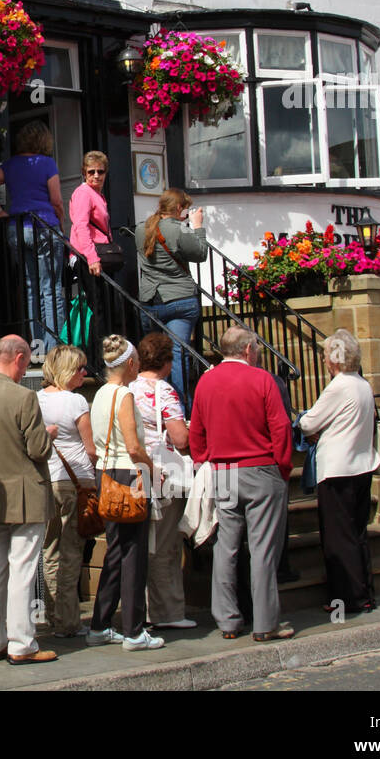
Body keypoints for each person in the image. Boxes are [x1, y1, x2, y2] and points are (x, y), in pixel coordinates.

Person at [188, 326, 294, 642]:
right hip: (260, 467)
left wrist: (205, 459)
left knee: (226, 547)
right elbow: (281, 426)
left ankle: (228, 620)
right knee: (262, 550)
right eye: (257, 348)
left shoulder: (206, 380)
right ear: (248, 350)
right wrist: (283, 466)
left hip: (224, 469)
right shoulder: (262, 379)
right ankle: (265, 624)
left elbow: (197, 430)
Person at [0, 334, 58, 666]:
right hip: (26, 492)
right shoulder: (24, 397)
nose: (25, 369)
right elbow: (37, 449)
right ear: (17, 358)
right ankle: (21, 643)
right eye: (26, 361)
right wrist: (49, 436)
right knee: (23, 569)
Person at [87, 335, 164, 652]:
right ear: (130, 363)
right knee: (134, 553)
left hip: (106, 473)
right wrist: (153, 470)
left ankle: (101, 624)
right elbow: (133, 447)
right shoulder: (125, 396)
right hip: (129, 475)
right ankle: (134, 630)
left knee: (116, 550)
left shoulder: (101, 393)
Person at [298, 329, 380, 615]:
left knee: (337, 537)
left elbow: (309, 423)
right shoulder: (362, 384)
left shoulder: (339, 386)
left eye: (325, 354)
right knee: (356, 533)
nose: (322, 360)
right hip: (361, 465)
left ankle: (347, 598)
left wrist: (303, 419)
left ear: (335, 358)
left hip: (338, 470)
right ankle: (364, 593)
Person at [0, 121, 67, 351]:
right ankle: (54, 347)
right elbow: (56, 200)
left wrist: (0, 212)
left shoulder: (11, 165)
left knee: (30, 286)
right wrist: (63, 226)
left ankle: (36, 345)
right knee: (51, 288)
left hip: (18, 228)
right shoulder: (47, 163)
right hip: (45, 227)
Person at [129, 332, 195, 630]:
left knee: (143, 544)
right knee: (166, 545)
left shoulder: (127, 388)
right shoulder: (164, 391)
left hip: (135, 473)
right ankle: (168, 611)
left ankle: (139, 609)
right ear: (166, 362)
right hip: (164, 474)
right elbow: (180, 437)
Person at [37, 344, 95, 639]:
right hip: (75, 480)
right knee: (72, 551)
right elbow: (90, 448)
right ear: (67, 371)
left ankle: (52, 613)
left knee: (50, 549)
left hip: (46, 479)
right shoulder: (76, 402)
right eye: (80, 368)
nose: (85, 373)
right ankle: (68, 620)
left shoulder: (35, 400)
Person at [138, 188, 208, 410]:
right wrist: (197, 226)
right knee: (176, 353)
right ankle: (179, 408)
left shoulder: (141, 229)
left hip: (151, 302)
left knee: (153, 355)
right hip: (180, 300)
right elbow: (200, 253)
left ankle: (156, 406)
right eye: (185, 209)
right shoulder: (179, 229)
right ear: (179, 208)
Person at [69, 150, 116, 276]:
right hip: (87, 257)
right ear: (84, 173)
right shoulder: (83, 193)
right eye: (91, 172)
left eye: (100, 171)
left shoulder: (97, 195)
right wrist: (92, 258)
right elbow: (81, 226)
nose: (96, 175)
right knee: (95, 295)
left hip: (101, 254)